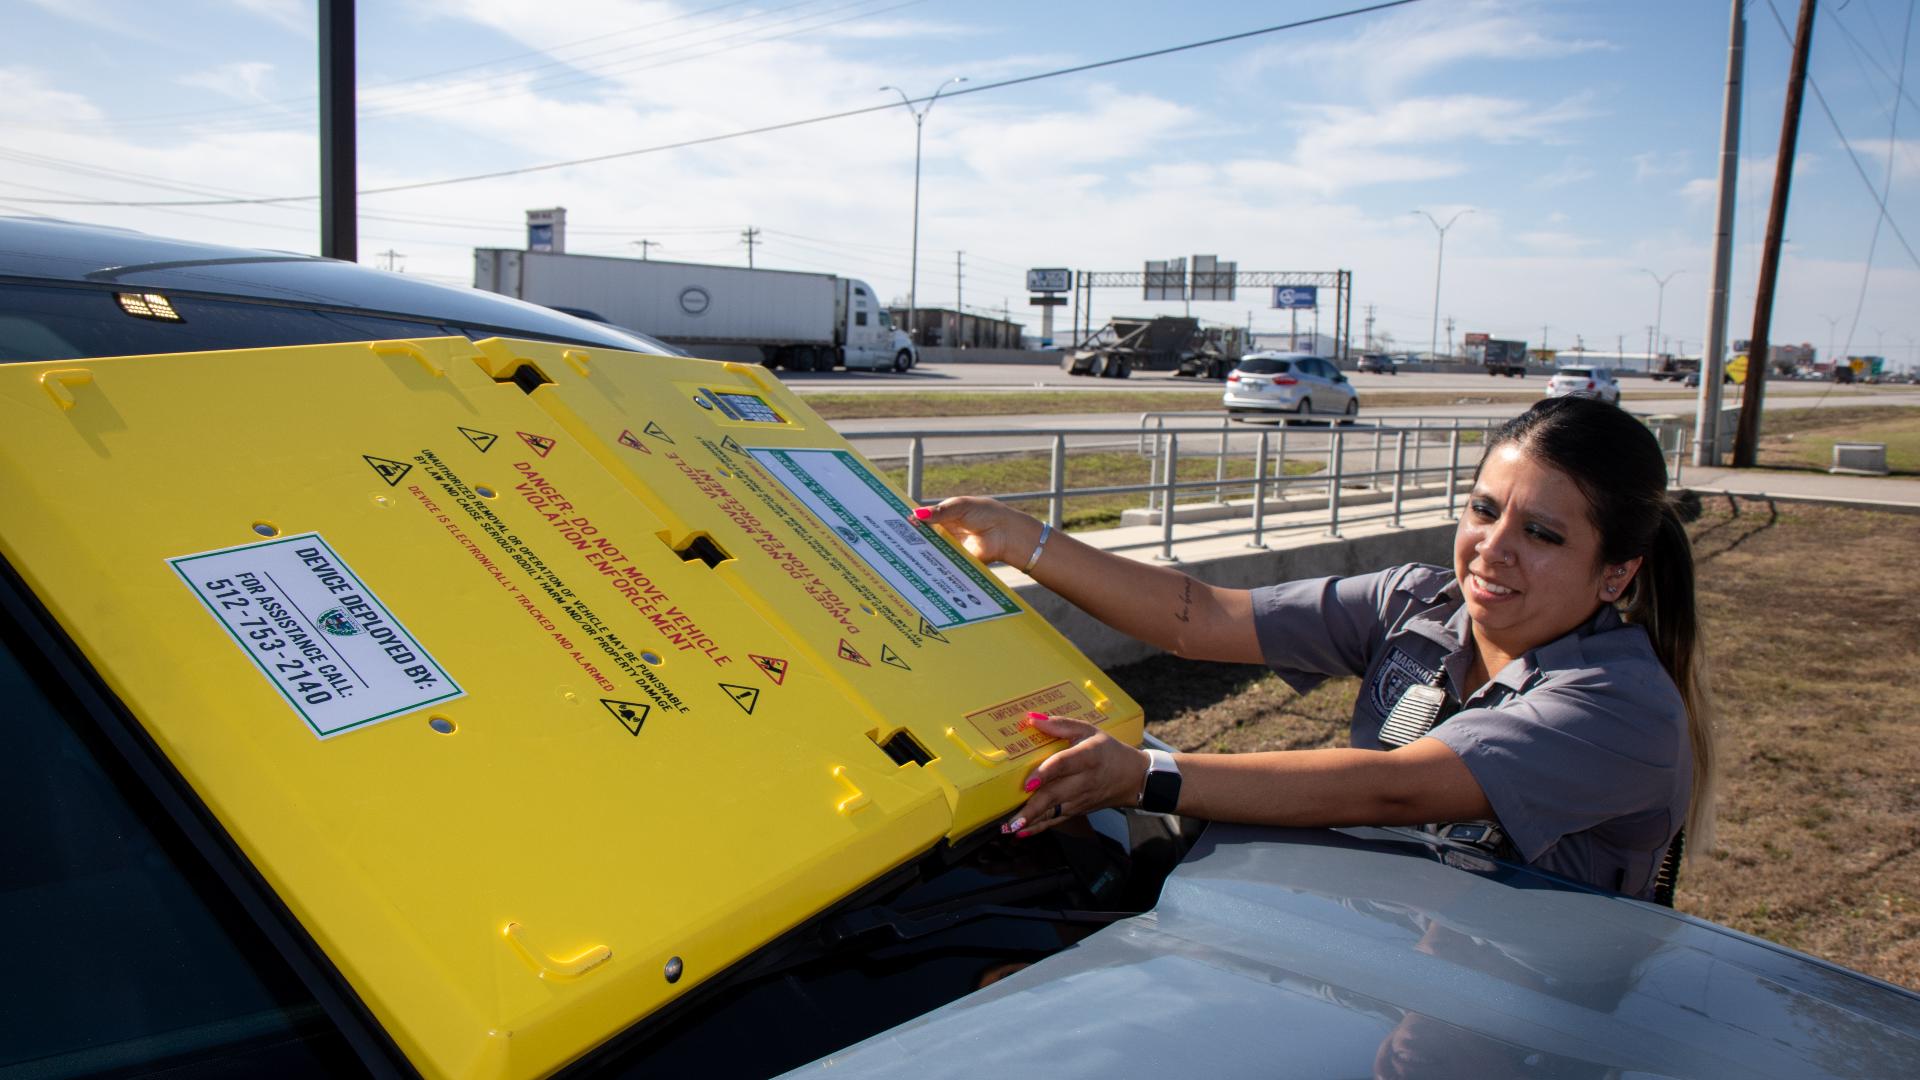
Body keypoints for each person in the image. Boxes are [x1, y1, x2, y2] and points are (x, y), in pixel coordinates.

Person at [914, 396, 1716, 899]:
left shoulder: (1619, 705)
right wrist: (1028, 540)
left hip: (1534, 1016)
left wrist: (1143, 776)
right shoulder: (1417, 602)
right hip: (1397, 958)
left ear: (1616, 575)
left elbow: (1391, 791)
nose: (1489, 550)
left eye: (1540, 534)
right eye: (1483, 509)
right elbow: (1203, 616)